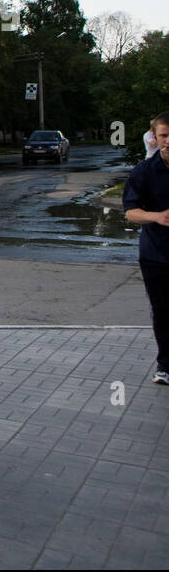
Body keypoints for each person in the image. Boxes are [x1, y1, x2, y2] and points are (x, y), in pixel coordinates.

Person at [122, 111, 169, 385]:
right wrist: (157, 216)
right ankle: (165, 365)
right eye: (163, 135)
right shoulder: (144, 171)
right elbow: (130, 212)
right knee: (163, 311)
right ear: (154, 137)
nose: (168, 141)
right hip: (156, 255)